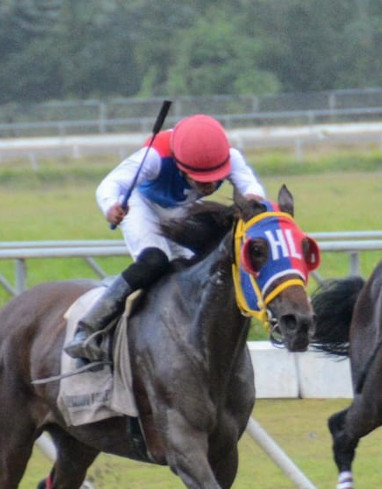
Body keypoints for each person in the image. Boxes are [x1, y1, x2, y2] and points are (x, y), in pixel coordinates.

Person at [65, 114, 266, 363]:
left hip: (180, 210)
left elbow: (253, 189)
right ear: (181, 165)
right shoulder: (154, 156)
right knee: (155, 261)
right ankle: (88, 330)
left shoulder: (229, 156)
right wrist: (112, 206)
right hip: (141, 205)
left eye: (215, 177)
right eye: (201, 179)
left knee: (197, 269)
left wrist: (252, 200)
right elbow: (110, 184)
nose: (210, 184)